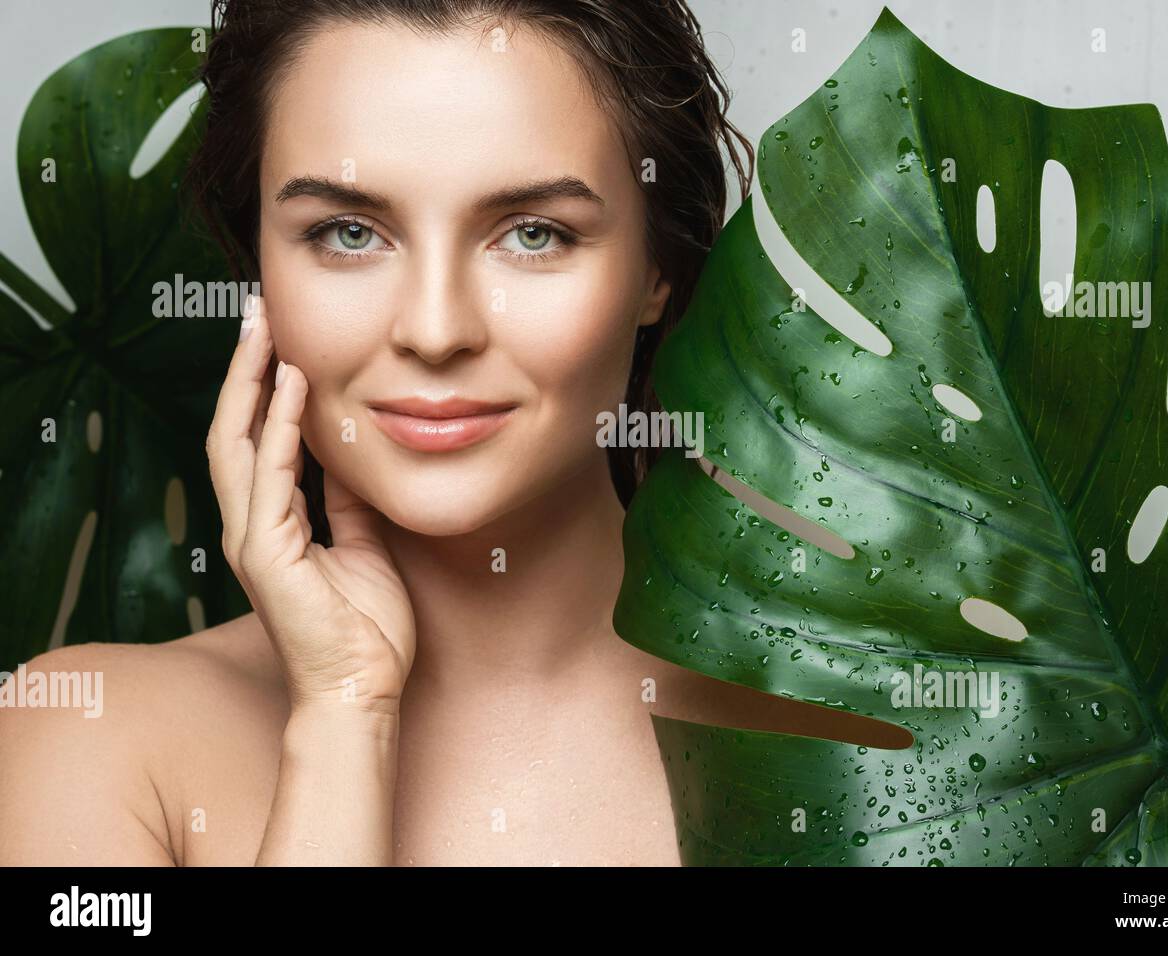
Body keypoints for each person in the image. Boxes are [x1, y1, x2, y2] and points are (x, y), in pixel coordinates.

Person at [0, 0, 903, 866]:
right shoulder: (86, 739)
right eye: (348, 232)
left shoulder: (867, 732)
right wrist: (344, 715)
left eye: (535, 235)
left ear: (656, 269)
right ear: (258, 267)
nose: (435, 330)